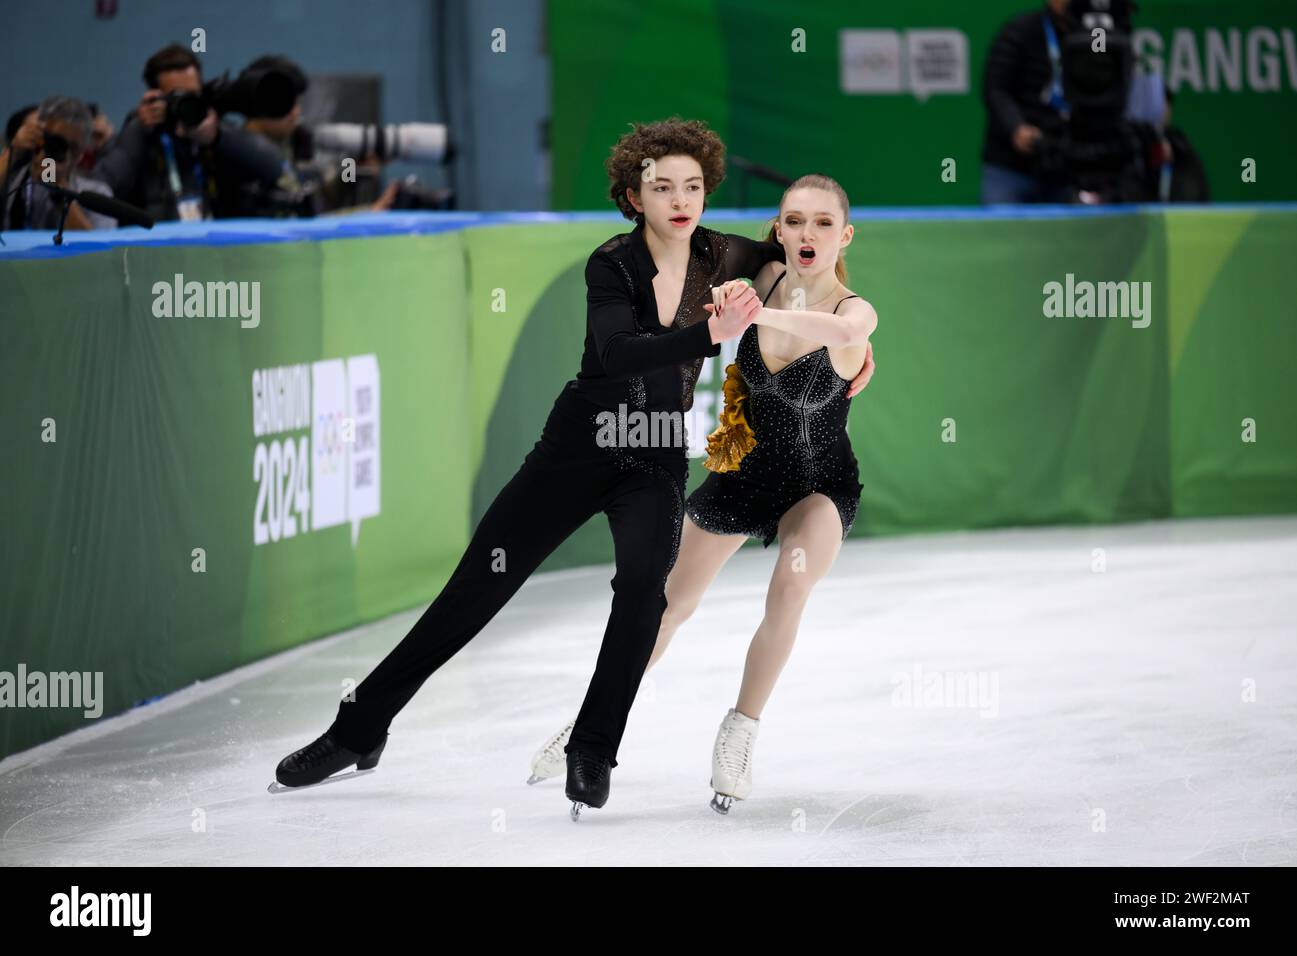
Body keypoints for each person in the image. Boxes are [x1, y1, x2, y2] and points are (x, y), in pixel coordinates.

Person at [272, 119, 874, 818]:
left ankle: (591, 749)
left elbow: (818, 273)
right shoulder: (612, 264)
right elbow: (617, 353)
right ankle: (361, 726)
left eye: (693, 186)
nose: (680, 200)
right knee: (475, 590)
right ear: (632, 196)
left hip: (653, 453)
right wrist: (709, 333)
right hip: (580, 444)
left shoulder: (729, 255)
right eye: (661, 187)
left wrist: (854, 350)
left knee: (646, 594)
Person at [527, 174, 877, 813]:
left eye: (824, 223)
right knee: (665, 604)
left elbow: (850, 333)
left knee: (791, 584)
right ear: (778, 228)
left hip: (821, 484)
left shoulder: (852, 310)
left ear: (844, 235)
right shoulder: (759, 274)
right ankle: (592, 728)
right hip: (744, 476)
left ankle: (740, 730)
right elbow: (678, 253)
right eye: (794, 220)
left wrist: (752, 314)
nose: (807, 234)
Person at [91, 43, 282, 222]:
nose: (186, 103)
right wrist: (139, 128)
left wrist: (217, 138)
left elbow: (274, 166)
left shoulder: (213, 134)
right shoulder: (140, 137)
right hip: (157, 251)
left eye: (192, 95)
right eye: (177, 96)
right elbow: (100, 187)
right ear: (156, 97)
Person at [980, 0, 1075, 204]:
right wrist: (1016, 127)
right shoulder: (1020, 30)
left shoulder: (1097, 38)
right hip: (1012, 167)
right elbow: (996, 89)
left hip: (1071, 167)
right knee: (1004, 235)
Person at [0, 96, 117, 231]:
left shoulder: (96, 194)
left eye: (72, 147)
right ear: (39, 136)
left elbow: (98, 248)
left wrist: (60, 189)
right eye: (56, 142)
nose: (62, 151)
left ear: (80, 154)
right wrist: (13, 152)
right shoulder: (12, 182)